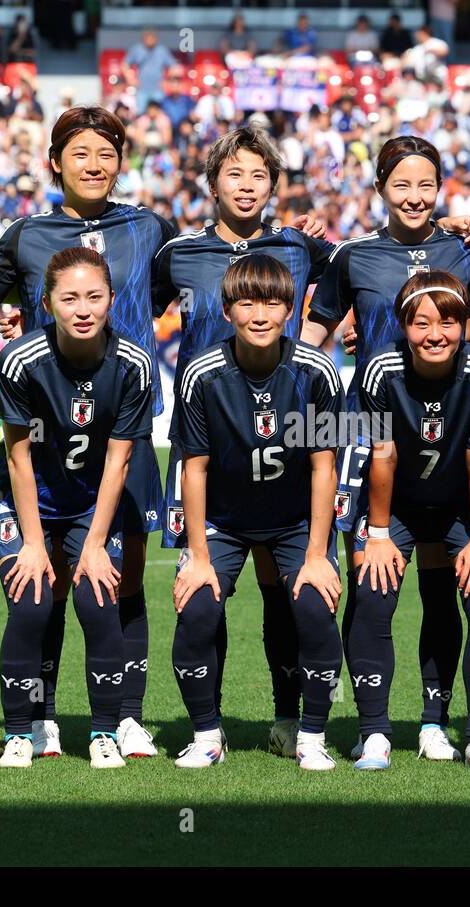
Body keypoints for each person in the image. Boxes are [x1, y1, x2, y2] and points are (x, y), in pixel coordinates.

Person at [0, 106, 174, 760]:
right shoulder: (24, 235)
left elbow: (204, 275)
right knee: (48, 584)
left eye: (106, 153)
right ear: (55, 162)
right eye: (80, 153)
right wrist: (9, 321)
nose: (94, 165)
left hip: (124, 429)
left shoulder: (148, 226)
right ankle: (37, 718)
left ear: (121, 162)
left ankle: (125, 718)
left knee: (123, 579)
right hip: (52, 429)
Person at [150, 125, 332, 759]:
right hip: (208, 449)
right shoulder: (178, 253)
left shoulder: (302, 246)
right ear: (213, 182)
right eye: (235, 174)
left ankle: (290, 721)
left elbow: (364, 276)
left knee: (287, 595)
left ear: (274, 185)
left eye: (260, 175)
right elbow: (125, 312)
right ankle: (211, 726)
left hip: (285, 438)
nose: (247, 185)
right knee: (207, 593)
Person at [306, 136, 470, 761]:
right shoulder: (355, 255)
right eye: (401, 184)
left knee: (439, 583)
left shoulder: (465, 248)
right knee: (371, 580)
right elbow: (316, 328)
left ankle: (434, 720)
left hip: (445, 431)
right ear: (380, 188)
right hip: (367, 433)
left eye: (426, 184)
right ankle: (373, 726)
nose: (414, 196)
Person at [171, 255, 344, 770]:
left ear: (291, 309)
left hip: (294, 519)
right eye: (246, 303)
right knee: (197, 609)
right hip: (222, 520)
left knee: (314, 607)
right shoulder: (203, 373)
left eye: (272, 302)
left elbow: (323, 467)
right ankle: (207, 734)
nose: (260, 314)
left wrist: (317, 553)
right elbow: (194, 468)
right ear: (227, 311)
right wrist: (198, 556)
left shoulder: (315, 370)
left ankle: (310, 735)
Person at [0, 248, 153, 770]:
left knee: (96, 599)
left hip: (92, 501)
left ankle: (104, 732)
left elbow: (118, 462)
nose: (83, 308)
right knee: (33, 599)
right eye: (69, 298)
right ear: (46, 303)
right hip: (27, 499)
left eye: (94, 296)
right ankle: (24, 730)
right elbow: (18, 460)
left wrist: (91, 545)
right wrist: (35, 545)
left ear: (111, 300)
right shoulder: (19, 360)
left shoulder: (134, 364)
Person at [347, 271, 470, 772]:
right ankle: (373, 732)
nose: (435, 334)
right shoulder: (379, 370)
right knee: (372, 596)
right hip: (393, 503)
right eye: (422, 323)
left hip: (463, 504)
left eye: (449, 321)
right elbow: (382, 456)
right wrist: (376, 534)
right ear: (402, 325)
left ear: (465, 324)